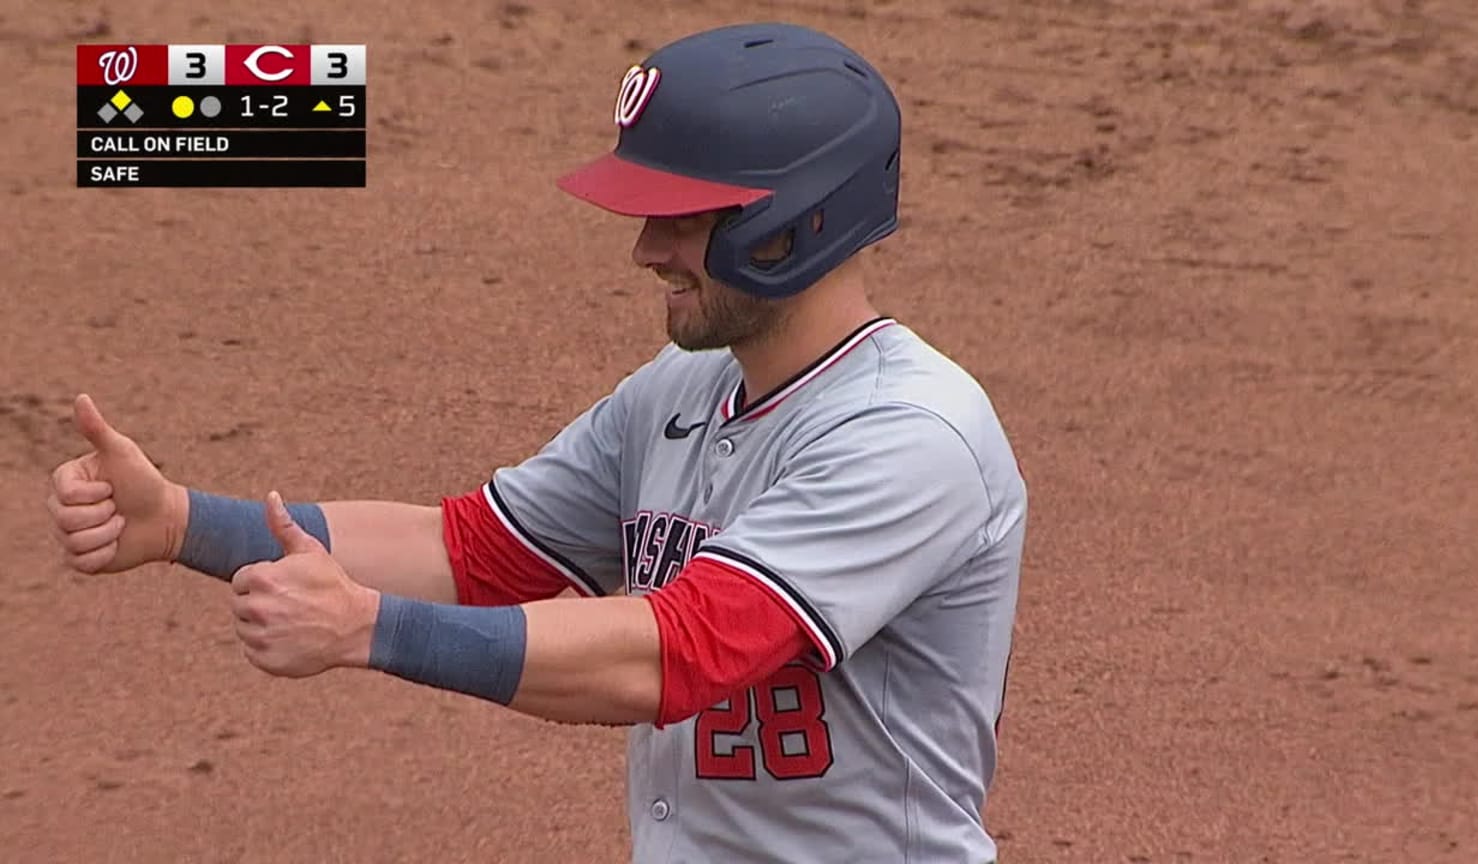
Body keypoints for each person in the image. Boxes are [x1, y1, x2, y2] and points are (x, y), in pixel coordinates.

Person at [45, 21, 1028, 864]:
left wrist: (365, 629)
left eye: (681, 219)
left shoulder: (913, 437)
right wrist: (181, 522)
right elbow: (471, 554)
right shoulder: (681, 390)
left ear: (794, 221)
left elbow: (672, 656)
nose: (646, 250)